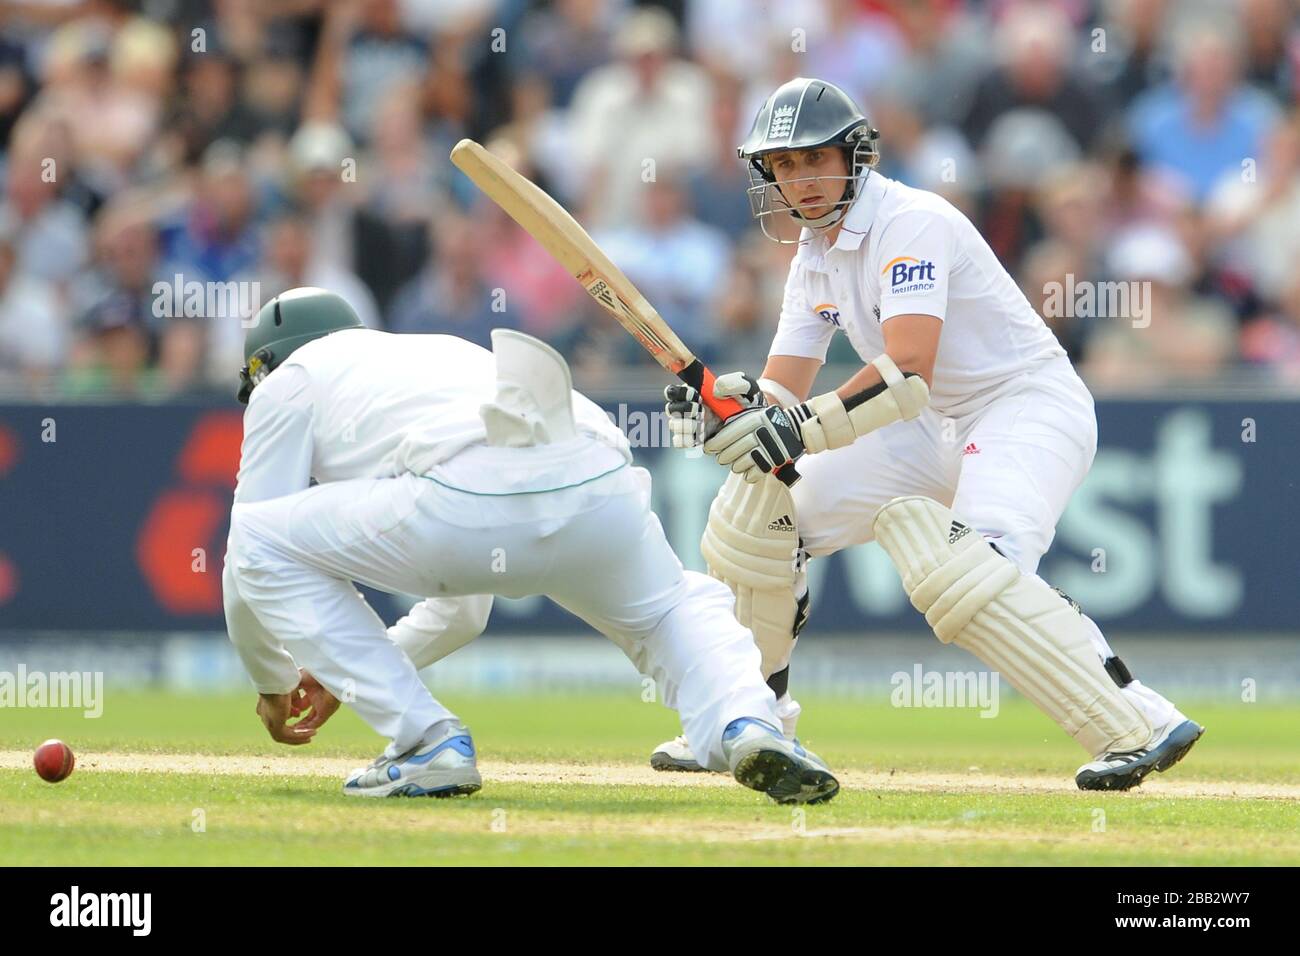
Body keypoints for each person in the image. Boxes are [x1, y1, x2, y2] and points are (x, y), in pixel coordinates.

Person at [651, 77, 1203, 792]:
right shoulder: (812, 258)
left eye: (815, 159)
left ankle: (1141, 721)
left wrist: (794, 427)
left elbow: (908, 368)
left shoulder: (912, 221)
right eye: (784, 166)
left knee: (968, 568)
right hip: (925, 426)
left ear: (856, 156)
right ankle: (750, 721)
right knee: (756, 513)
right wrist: (725, 410)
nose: (801, 181)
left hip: (1022, 405)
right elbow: (780, 392)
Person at [222, 286, 838, 805]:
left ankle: (425, 741)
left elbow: (248, 548)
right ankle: (747, 720)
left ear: (266, 365)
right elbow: (462, 607)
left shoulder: (290, 380)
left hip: (472, 490)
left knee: (255, 532)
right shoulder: (421, 358)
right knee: (672, 608)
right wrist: (345, 672)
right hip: (597, 471)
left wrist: (275, 681)